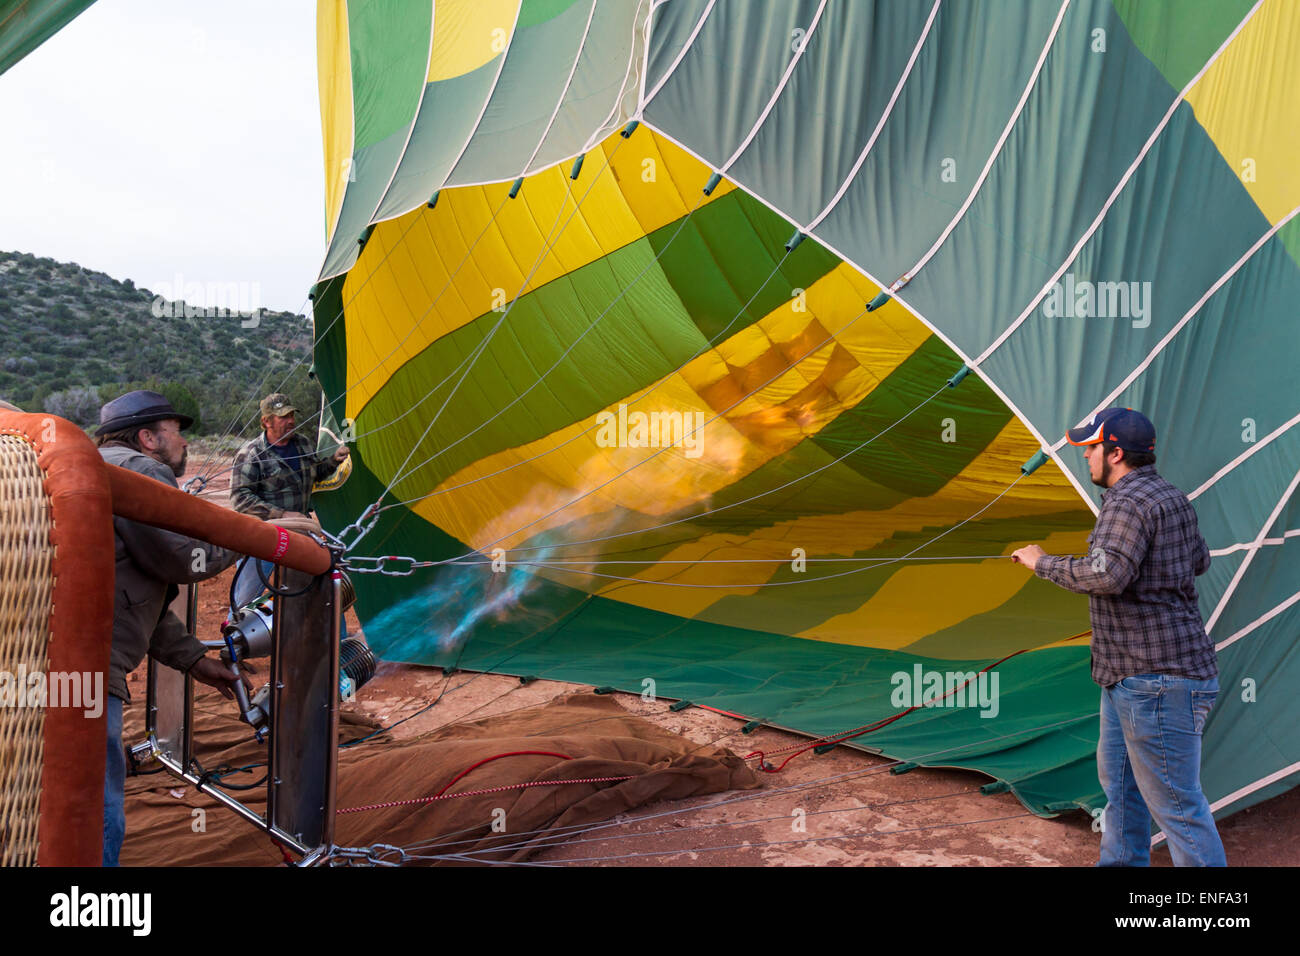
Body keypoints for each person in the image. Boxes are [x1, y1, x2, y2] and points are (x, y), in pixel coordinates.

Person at [1011, 407, 1224, 866]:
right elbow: (1200, 561)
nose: (1086, 458)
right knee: (1123, 794)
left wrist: (1041, 562)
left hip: (1156, 682)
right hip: (1129, 677)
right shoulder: (1171, 496)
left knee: (1179, 809)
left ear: (1116, 453)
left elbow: (1107, 576)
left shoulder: (1126, 502)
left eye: (1091, 449)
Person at [96, 389, 250, 865]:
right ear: (148, 438)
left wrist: (194, 659)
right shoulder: (138, 470)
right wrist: (249, 536)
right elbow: (183, 557)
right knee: (94, 804)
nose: (183, 443)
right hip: (87, 670)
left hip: (52, 661)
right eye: (176, 433)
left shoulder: (92, 466)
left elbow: (132, 591)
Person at [228, 393, 348, 606]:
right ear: (266, 421)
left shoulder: (302, 444)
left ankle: (326, 638)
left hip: (300, 534)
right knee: (246, 600)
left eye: (291, 414)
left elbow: (314, 473)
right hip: (262, 536)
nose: (291, 420)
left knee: (315, 590)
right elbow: (240, 499)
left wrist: (333, 461)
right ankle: (237, 638)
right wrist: (281, 515)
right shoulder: (251, 453)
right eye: (283, 416)